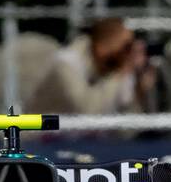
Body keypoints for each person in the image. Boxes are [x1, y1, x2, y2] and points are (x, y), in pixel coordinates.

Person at [28, 17, 156, 116]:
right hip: (40, 142)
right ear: (102, 48)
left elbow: (124, 132)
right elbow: (88, 112)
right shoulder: (66, 64)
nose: (128, 54)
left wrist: (139, 91)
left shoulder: (109, 71)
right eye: (126, 47)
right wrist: (120, 74)